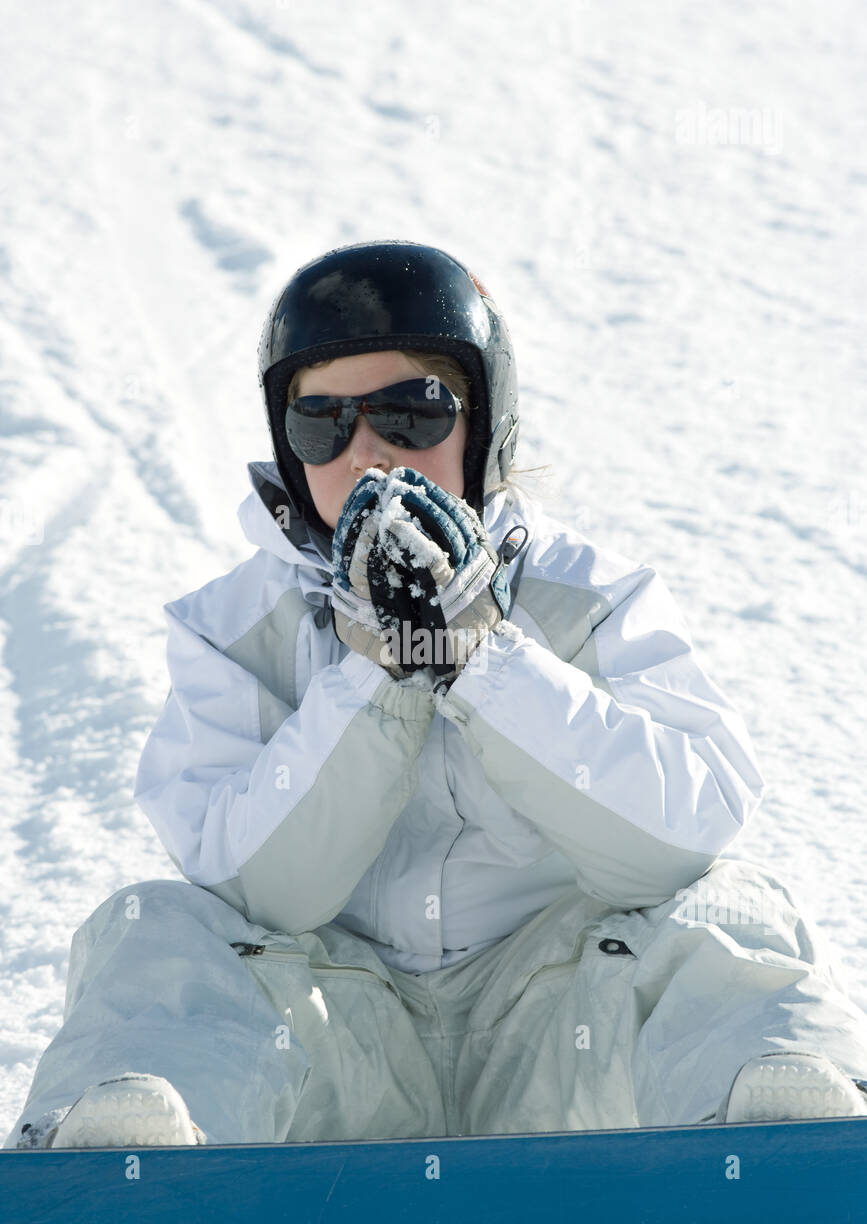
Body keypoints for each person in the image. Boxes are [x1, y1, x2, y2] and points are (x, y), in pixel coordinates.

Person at [8, 240, 867, 1151]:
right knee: (159, 924)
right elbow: (259, 889)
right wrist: (375, 679)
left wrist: (483, 662)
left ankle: (783, 1159)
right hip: (340, 1052)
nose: (365, 451)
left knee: (725, 912)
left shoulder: (591, 599)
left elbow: (678, 839)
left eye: (409, 413)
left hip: (560, 1040)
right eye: (320, 422)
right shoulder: (230, 630)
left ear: (483, 423)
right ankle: (127, 1181)